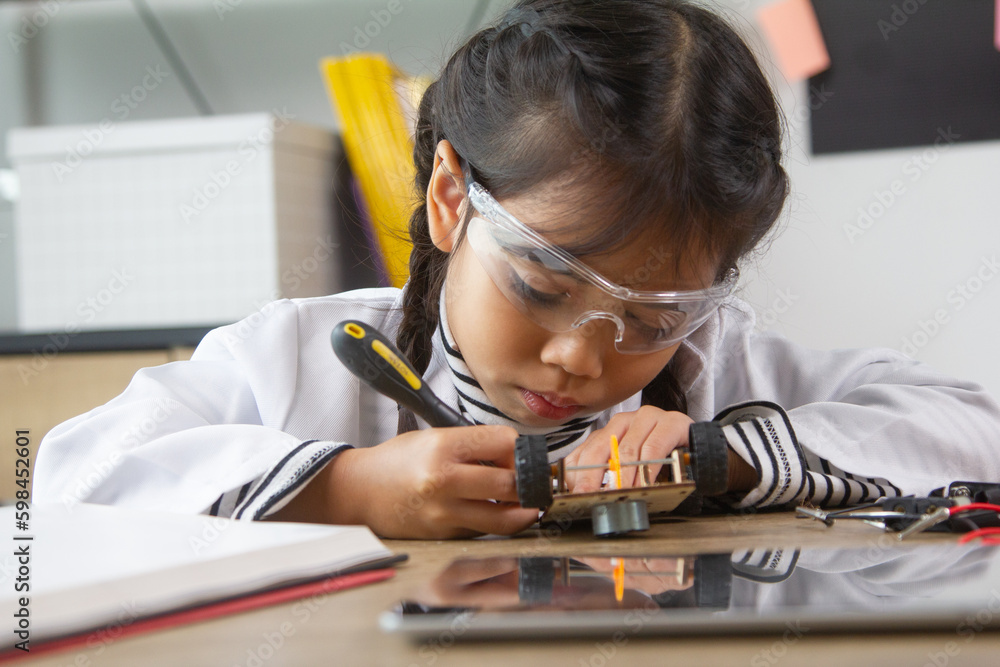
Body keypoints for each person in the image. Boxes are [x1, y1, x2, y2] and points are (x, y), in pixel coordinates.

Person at [33, 0, 1000, 539]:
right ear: (451, 199)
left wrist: (727, 455)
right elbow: (66, 483)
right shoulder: (296, 357)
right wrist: (349, 489)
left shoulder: (728, 370)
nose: (583, 358)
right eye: (541, 284)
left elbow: (974, 431)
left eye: (656, 318)